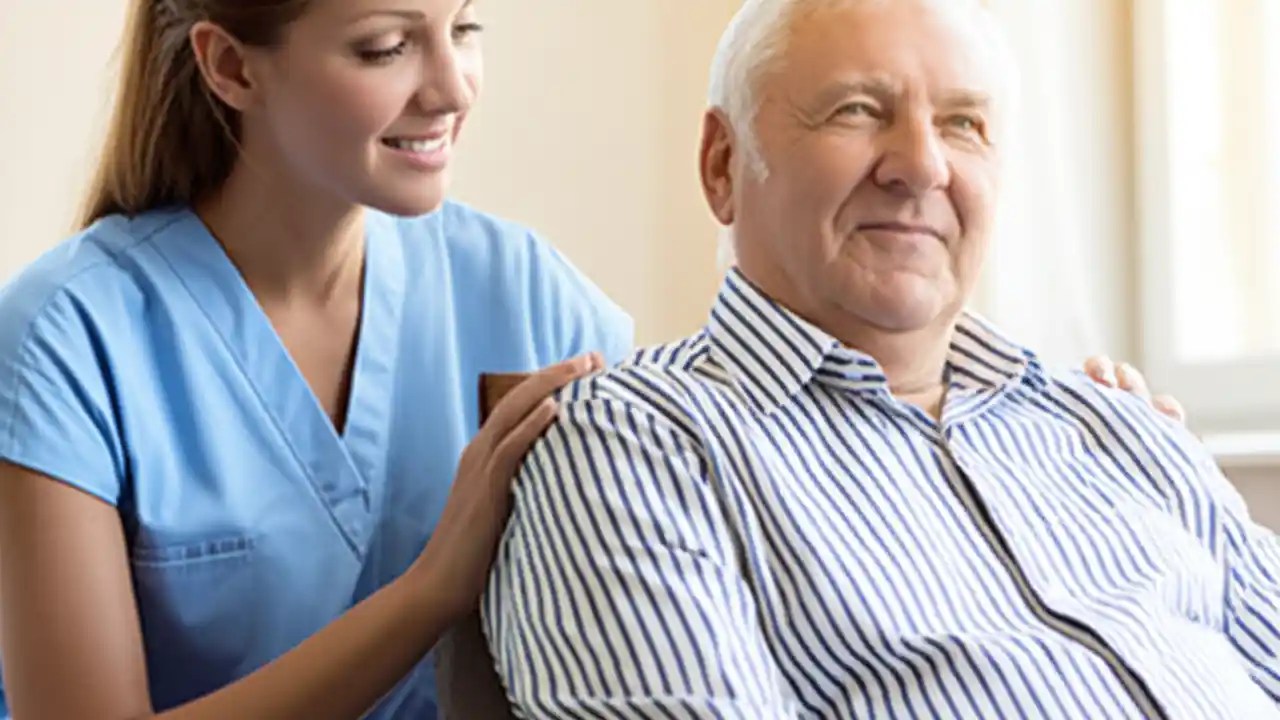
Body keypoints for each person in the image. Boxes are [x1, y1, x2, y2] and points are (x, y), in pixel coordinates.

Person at [0, 0, 1171, 718]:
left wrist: (1068, 451)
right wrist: (426, 595)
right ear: (230, 67)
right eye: (383, 45)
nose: (451, 88)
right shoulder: (68, 335)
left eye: (463, 28)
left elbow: (749, 427)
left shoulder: (521, 290)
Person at [482, 0, 1277, 718]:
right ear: (723, 164)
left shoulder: (1116, 424)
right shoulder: (633, 442)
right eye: (858, 111)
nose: (922, 166)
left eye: (964, 124)